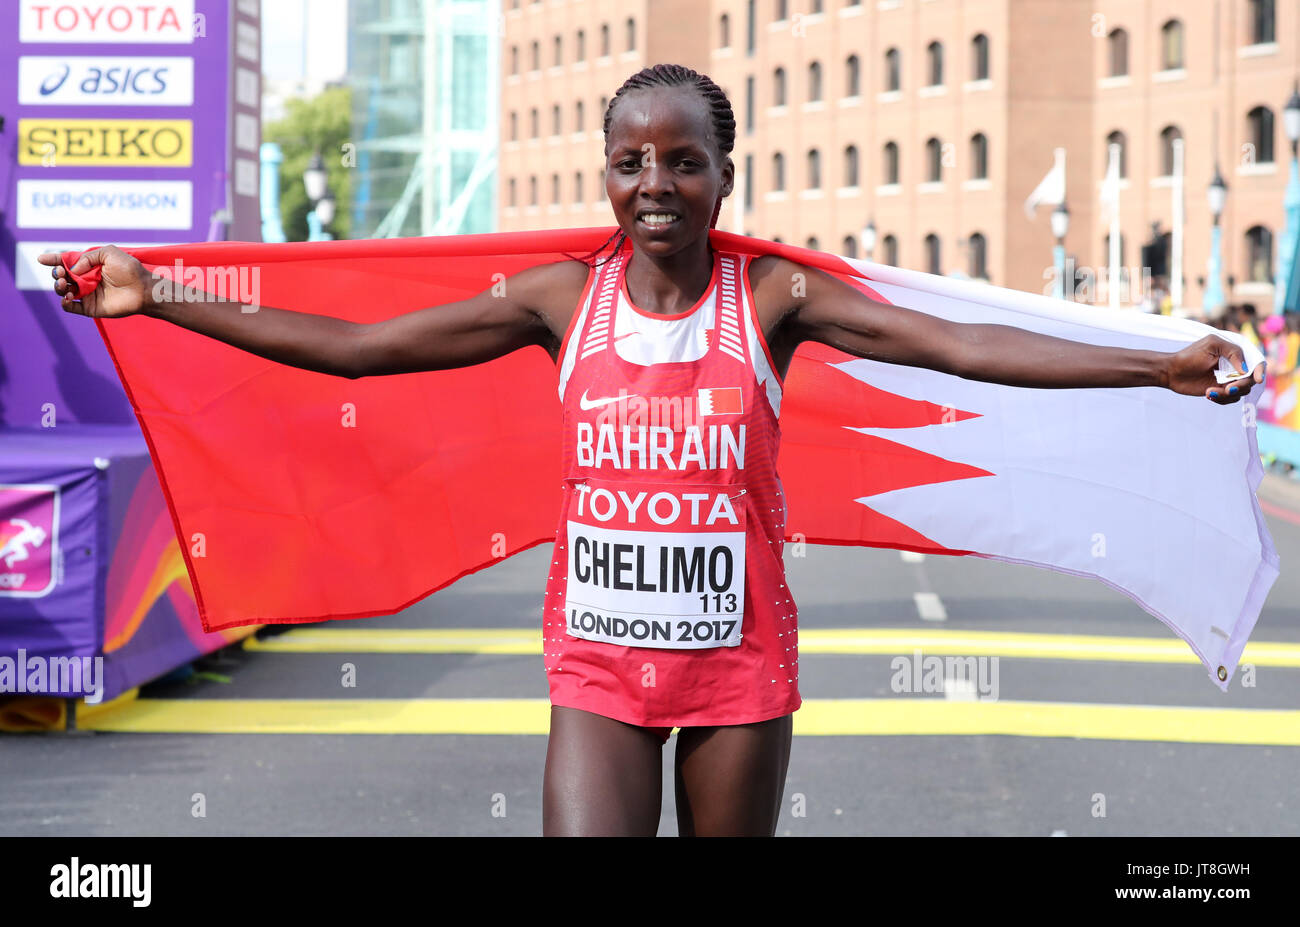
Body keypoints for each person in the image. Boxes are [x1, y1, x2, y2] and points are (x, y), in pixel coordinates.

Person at [40, 63, 1264, 837]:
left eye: (684, 159)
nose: (657, 182)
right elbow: (359, 349)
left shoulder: (774, 299)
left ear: (727, 174)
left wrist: (1151, 362)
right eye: (633, 161)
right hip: (597, 668)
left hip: (737, 670)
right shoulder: (560, 300)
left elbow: (954, 344)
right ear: (609, 175)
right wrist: (159, 296)